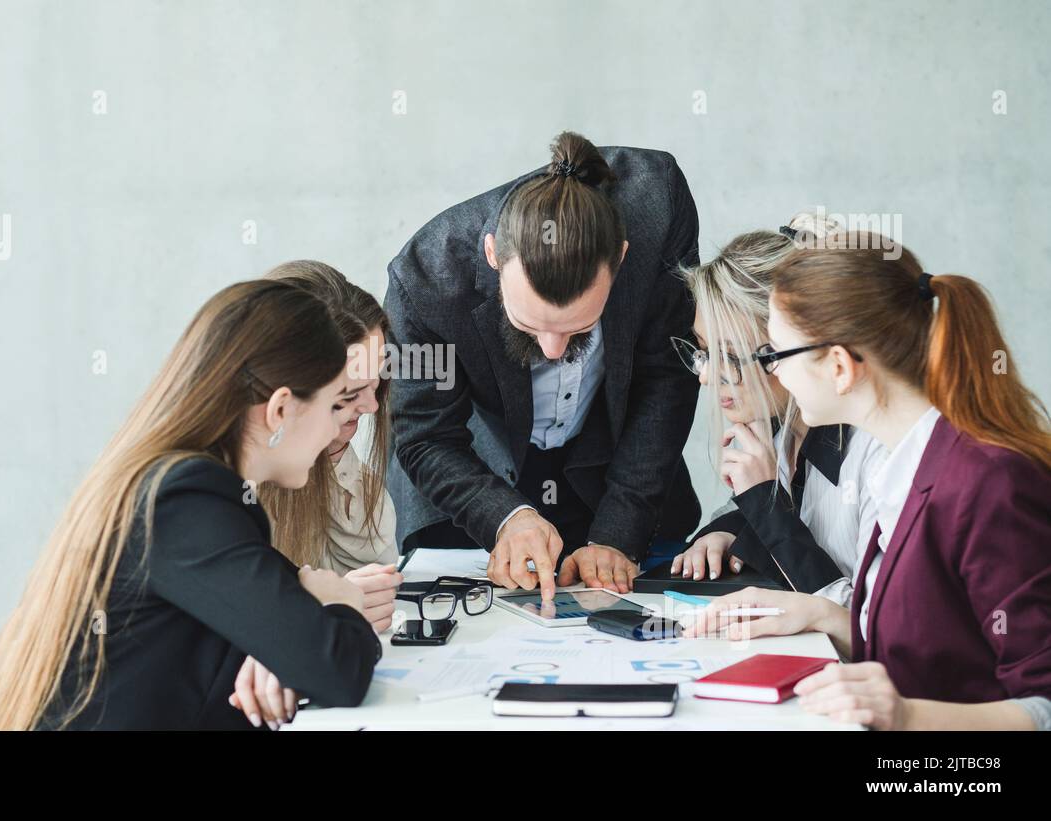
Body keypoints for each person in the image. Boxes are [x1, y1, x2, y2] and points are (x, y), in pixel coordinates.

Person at [0, 280, 381, 731]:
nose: (338, 428)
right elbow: (335, 670)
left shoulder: (183, 489)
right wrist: (341, 605)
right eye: (336, 406)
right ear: (280, 411)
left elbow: (287, 624)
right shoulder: (186, 502)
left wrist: (290, 639)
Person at [685, 232, 1051, 730]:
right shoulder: (907, 468)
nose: (776, 378)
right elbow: (931, 651)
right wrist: (820, 616)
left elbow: (1041, 703)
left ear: (838, 366)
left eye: (775, 357)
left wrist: (904, 715)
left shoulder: (989, 483)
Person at [385, 131, 702, 600]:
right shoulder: (426, 278)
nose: (553, 350)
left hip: (609, 467)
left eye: (579, 328)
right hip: (475, 477)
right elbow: (426, 435)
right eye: (530, 325)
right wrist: (505, 517)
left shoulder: (659, 203)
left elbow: (668, 376)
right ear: (493, 256)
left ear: (620, 259)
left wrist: (617, 532)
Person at [668, 218, 886, 604]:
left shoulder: (874, 455)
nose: (707, 376)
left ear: (787, 346)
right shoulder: (782, 429)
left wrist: (763, 503)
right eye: (703, 350)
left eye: (730, 356)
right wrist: (728, 527)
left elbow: (870, 625)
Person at [261, 260, 403, 634]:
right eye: (351, 393)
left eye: (376, 385)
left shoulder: (320, 456)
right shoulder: (225, 486)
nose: (373, 407)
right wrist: (316, 606)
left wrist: (336, 447)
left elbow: (377, 566)